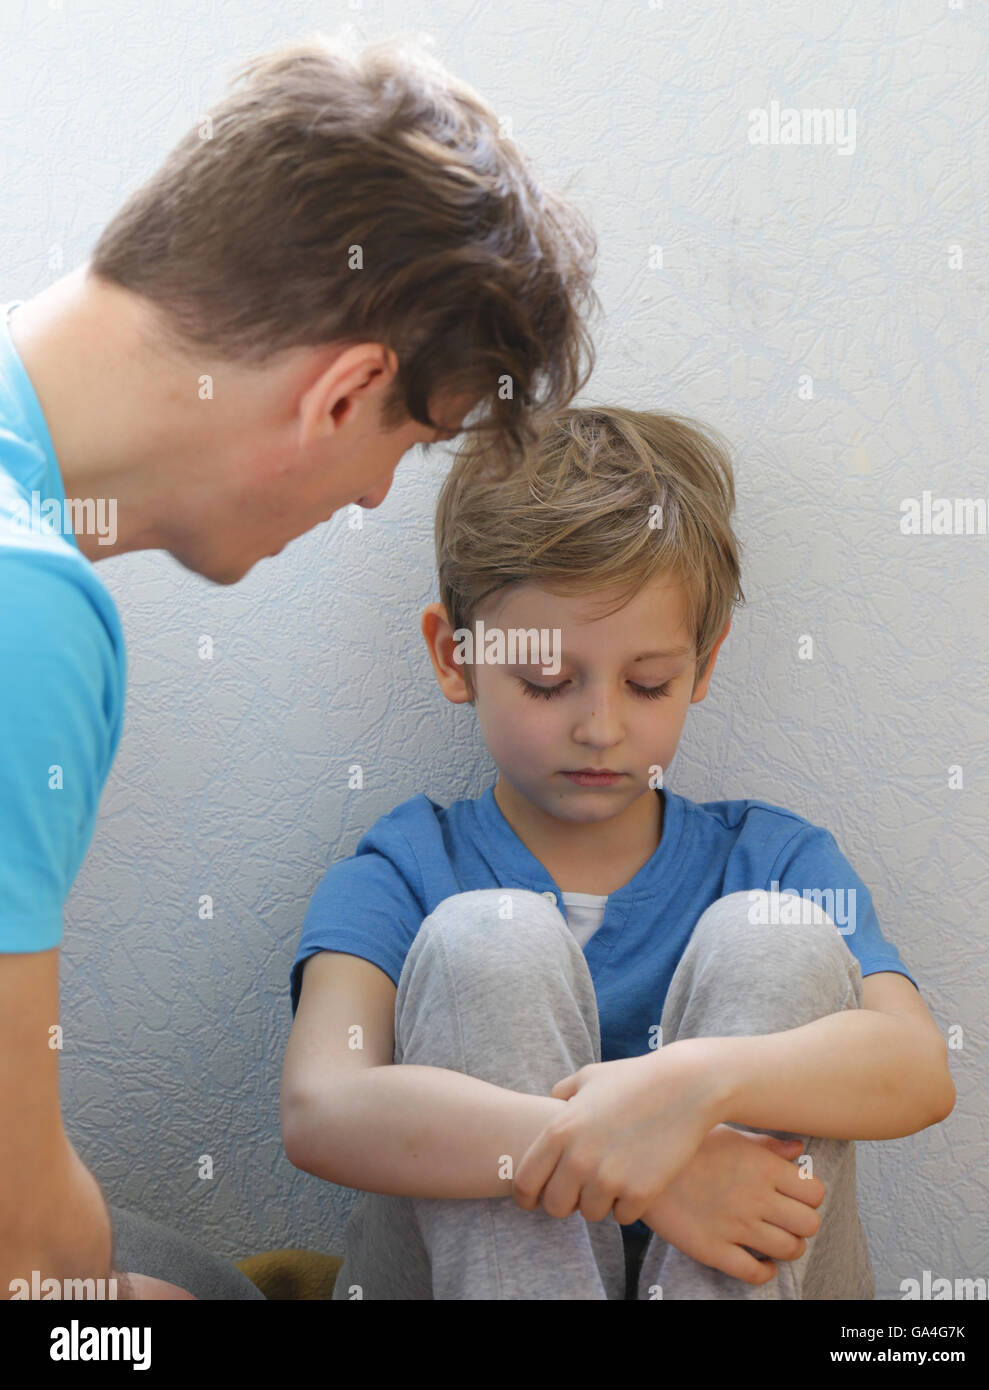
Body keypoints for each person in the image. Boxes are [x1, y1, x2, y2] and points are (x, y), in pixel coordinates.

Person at [0, 32, 599, 1300]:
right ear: (345, 393)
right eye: (409, 442)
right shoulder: (28, 609)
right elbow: (25, 1254)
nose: (378, 492)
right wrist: (90, 1298)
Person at [282, 405, 957, 1300]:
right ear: (456, 657)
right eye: (547, 682)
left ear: (702, 667)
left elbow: (916, 1072)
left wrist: (691, 1090)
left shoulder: (776, 859)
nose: (600, 727)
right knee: (487, 937)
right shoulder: (405, 869)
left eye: (647, 684)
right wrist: (655, 1170)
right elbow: (320, 1108)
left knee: (775, 937)